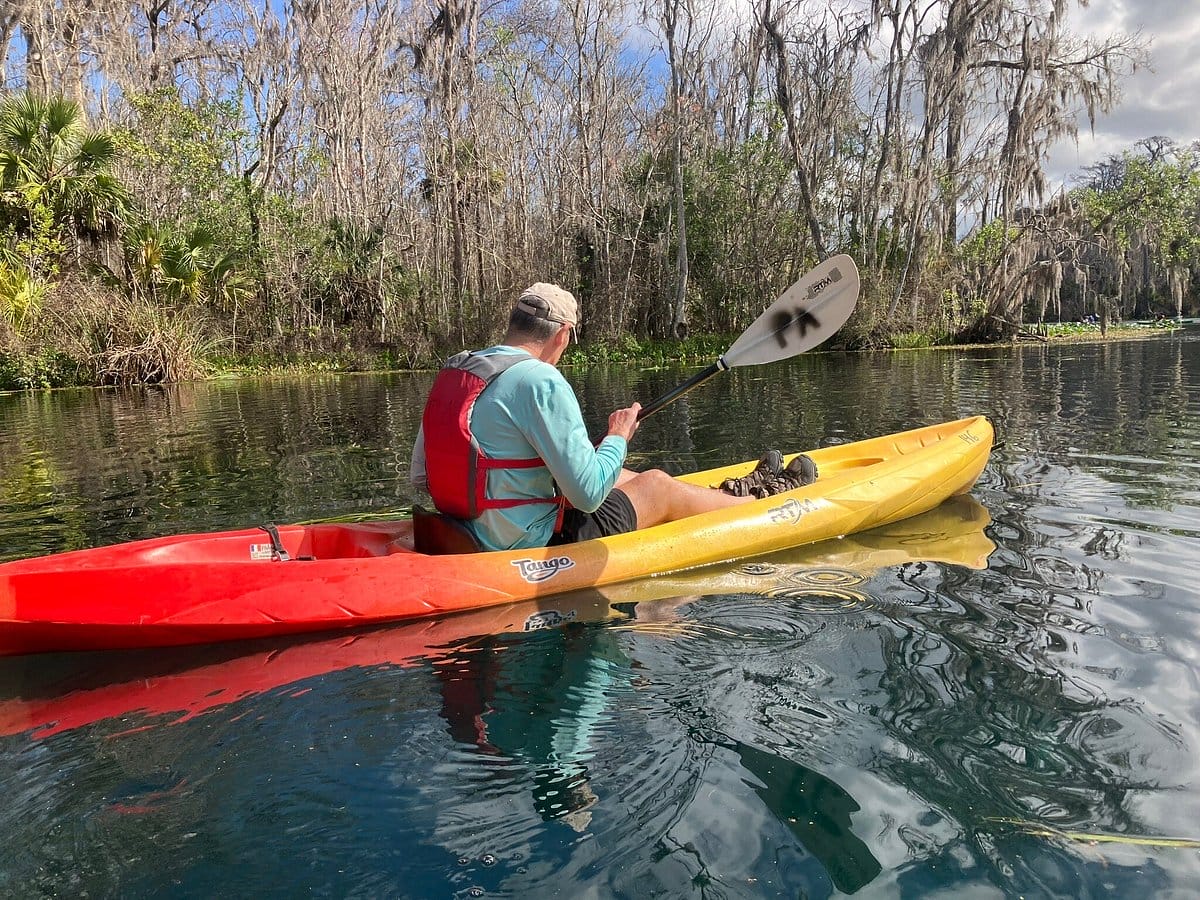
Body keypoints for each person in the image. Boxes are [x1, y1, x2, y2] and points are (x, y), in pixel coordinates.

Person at [410, 282, 815, 552]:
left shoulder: (461, 370)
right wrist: (617, 437)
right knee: (656, 485)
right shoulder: (541, 380)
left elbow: (421, 477)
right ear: (562, 334)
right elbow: (587, 495)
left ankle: (732, 492)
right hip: (522, 545)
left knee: (625, 477)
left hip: (467, 527)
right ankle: (765, 503)